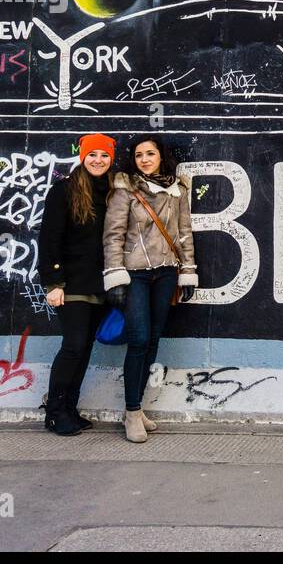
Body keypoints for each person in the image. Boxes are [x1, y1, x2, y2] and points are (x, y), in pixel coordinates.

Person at [103, 135, 197, 443]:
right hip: (135, 275)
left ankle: (138, 407)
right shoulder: (125, 189)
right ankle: (131, 413)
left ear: (160, 156)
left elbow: (183, 234)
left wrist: (187, 271)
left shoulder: (176, 190)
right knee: (139, 339)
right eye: (139, 154)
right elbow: (114, 235)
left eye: (150, 153)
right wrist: (115, 275)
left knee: (154, 339)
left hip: (166, 273)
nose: (145, 159)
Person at [39, 133, 116, 436]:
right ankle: (55, 412)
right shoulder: (64, 191)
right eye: (92, 154)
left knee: (84, 348)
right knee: (72, 347)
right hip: (69, 284)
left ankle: (70, 408)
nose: (98, 160)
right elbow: (49, 240)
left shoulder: (113, 192)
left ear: (111, 159)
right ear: (83, 157)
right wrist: (53, 283)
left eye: (104, 155)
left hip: (99, 284)